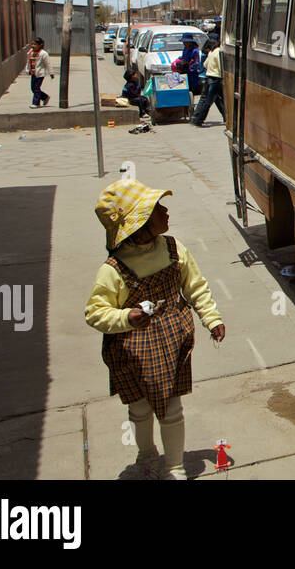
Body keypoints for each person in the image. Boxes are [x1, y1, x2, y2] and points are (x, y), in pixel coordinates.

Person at [85, 179, 225, 480]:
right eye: (156, 209)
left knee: (172, 408)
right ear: (140, 225)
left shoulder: (175, 250)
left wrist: (211, 319)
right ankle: (146, 454)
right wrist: (126, 318)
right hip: (132, 351)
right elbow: (95, 312)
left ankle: (174, 466)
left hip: (172, 343)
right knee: (139, 408)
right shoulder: (113, 269)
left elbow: (196, 287)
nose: (165, 211)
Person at [191, 39, 225, 127]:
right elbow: (221, 66)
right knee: (209, 101)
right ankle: (199, 120)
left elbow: (205, 64)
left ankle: (226, 117)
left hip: (208, 77)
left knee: (215, 99)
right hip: (216, 78)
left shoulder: (211, 52)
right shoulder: (218, 52)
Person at [27, 37, 51, 108]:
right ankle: (45, 97)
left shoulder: (44, 54)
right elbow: (28, 62)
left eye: (35, 44)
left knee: (36, 88)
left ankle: (36, 103)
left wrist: (51, 73)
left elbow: (48, 64)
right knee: (33, 88)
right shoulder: (30, 52)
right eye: (32, 44)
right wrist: (28, 70)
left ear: (40, 45)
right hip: (33, 73)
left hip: (40, 74)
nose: (33, 46)